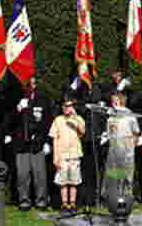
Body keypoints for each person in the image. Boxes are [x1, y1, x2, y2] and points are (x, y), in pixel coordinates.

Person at [5, 76, 53, 210]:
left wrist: (47, 141)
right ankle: (24, 200)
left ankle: (41, 200)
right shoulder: (17, 99)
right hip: (21, 144)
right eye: (28, 84)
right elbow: (9, 122)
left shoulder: (43, 100)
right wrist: (18, 109)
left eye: (33, 84)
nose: (31, 86)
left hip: (38, 143)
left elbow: (48, 121)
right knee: (23, 175)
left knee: (40, 175)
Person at [50, 98, 86, 211]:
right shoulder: (58, 120)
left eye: (69, 106)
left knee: (74, 181)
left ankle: (73, 203)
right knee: (63, 181)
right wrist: (55, 157)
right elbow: (55, 139)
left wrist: (75, 117)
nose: (67, 108)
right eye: (65, 106)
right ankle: (64, 204)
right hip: (62, 155)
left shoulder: (78, 119)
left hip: (75, 154)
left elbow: (82, 132)